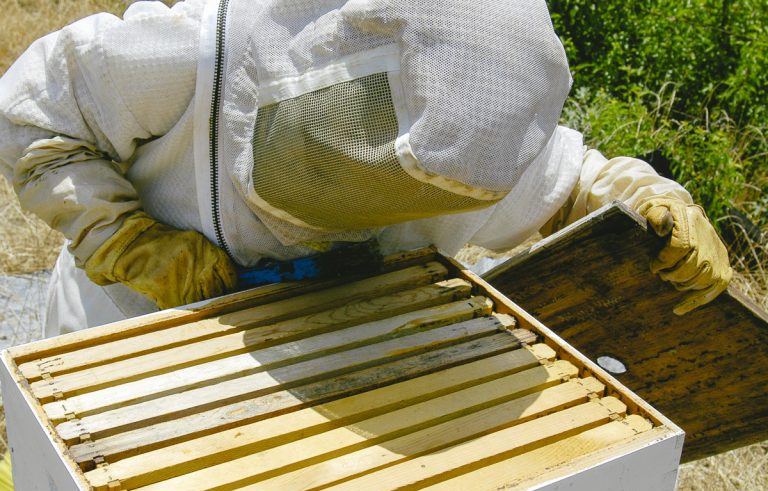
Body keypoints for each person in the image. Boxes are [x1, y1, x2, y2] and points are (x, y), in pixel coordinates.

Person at [0, 0, 731, 339]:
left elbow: (563, 182)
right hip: (128, 329)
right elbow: (30, 109)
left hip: (323, 357)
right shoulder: (193, 52)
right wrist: (125, 238)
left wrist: (636, 194)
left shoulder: (455, 118)